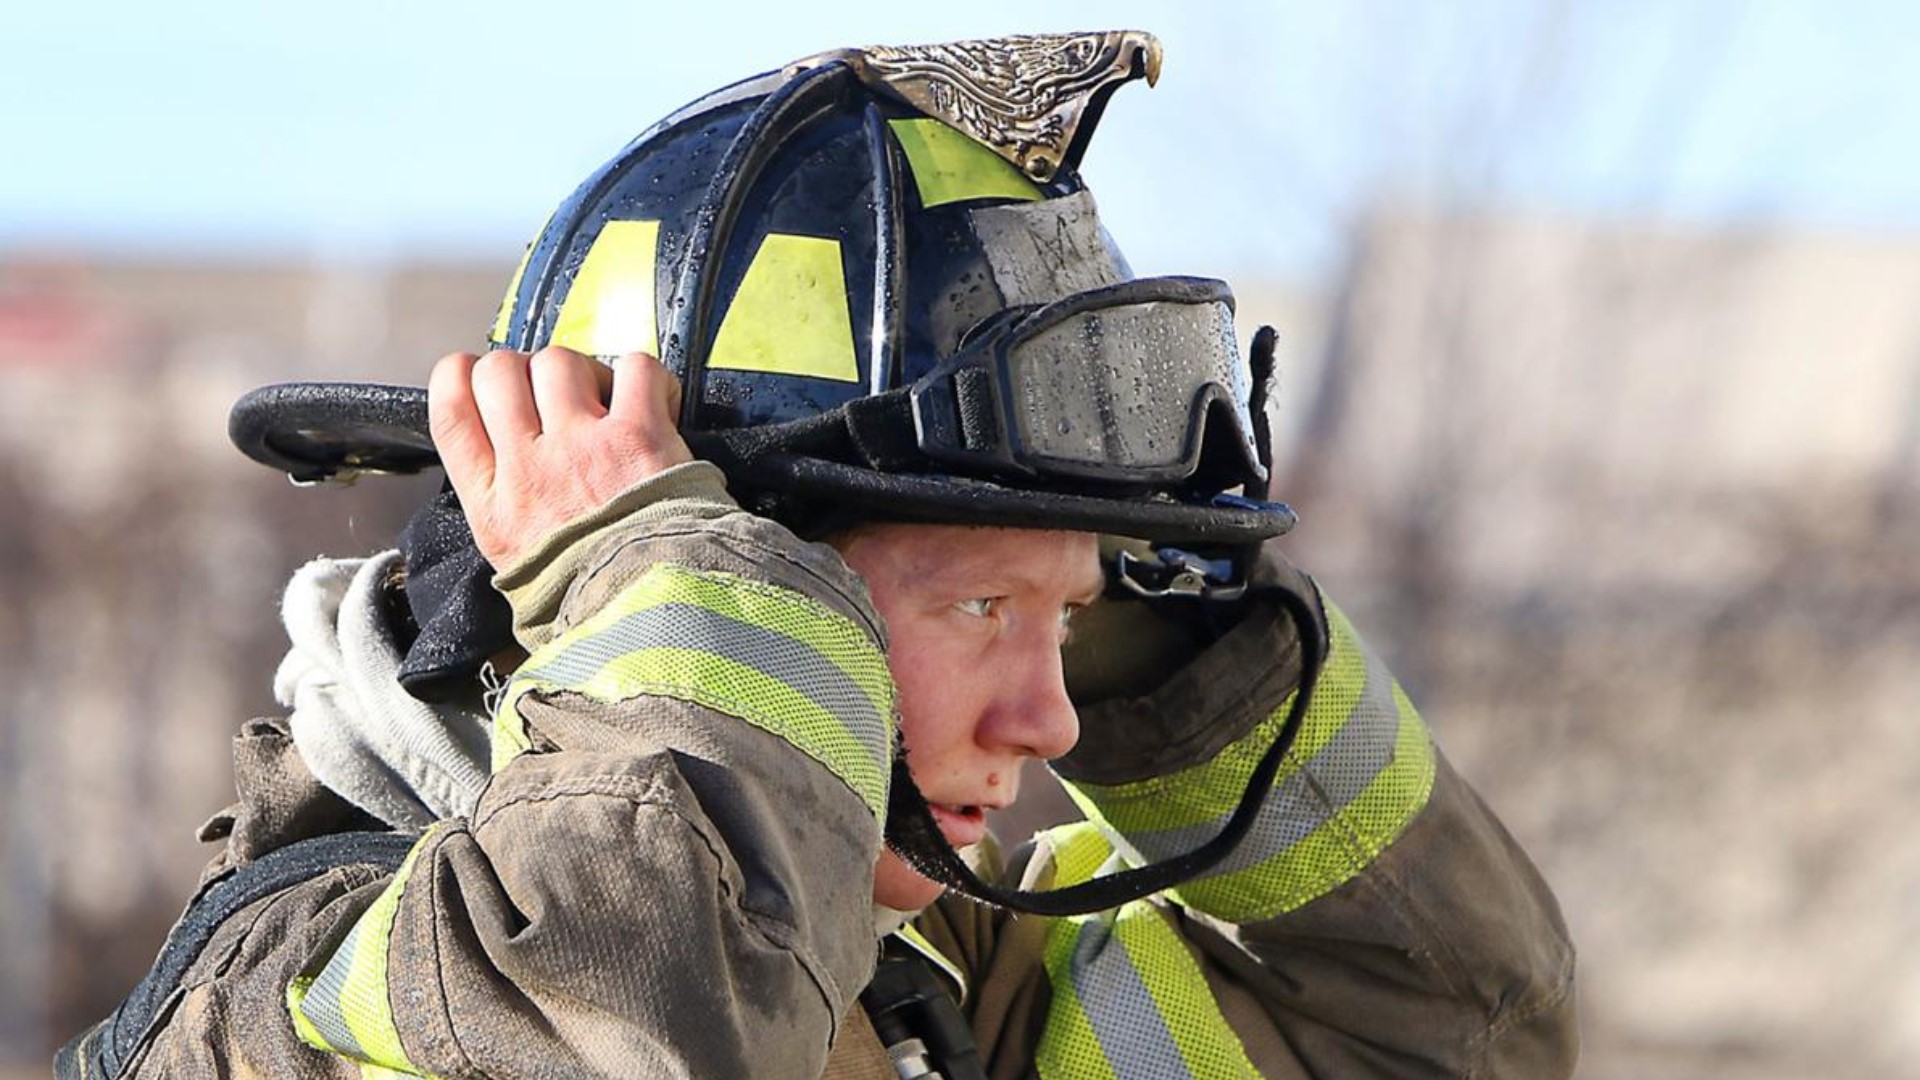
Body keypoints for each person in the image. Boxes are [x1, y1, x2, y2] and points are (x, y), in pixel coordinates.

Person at [61, 31, 1577, 1079]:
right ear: (658, 587)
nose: (1048, 721)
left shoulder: (928, 998)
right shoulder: (272, 1005)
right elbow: (634, 1035)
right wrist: (677, 588)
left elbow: (1439, 1030)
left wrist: (1176, 653)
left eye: (1068, 626)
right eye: (980, 606)